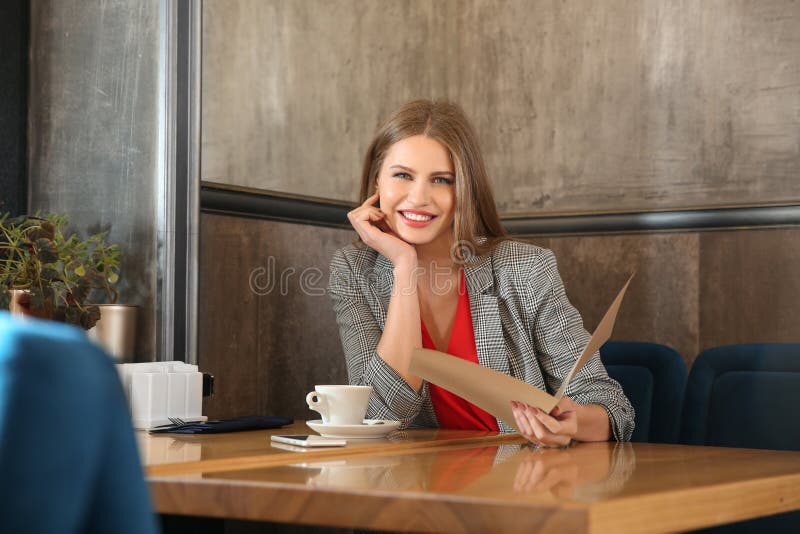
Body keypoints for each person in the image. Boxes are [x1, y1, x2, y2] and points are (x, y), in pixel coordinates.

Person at [327, 99, 634, 447]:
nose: (419, 197)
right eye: (402, 175)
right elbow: (381, 413)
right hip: (417, 487)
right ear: (377, 183)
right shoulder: (353, 271)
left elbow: (612, 407)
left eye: (441, 180)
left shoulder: (525, 268)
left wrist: (571, 424)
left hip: (521, 481)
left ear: (464, 191)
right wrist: (404, 266)